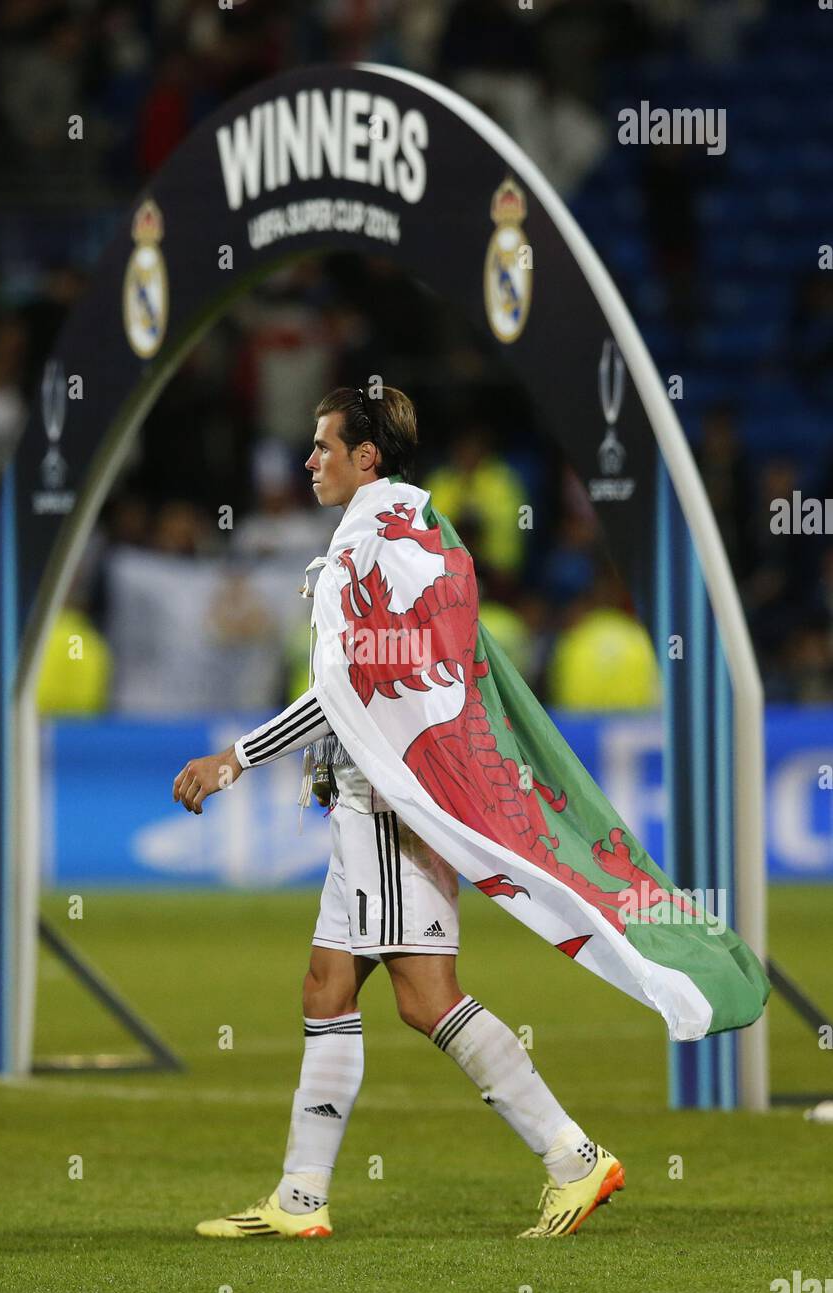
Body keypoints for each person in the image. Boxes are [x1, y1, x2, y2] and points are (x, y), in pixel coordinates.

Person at [173, 386, 625, 1240]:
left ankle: (572, 1156)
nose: (309, 460)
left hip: (387, 802)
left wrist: (235, 758)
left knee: (425, 998)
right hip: (374, 792)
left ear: (365, 456)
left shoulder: (370, 545)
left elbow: (347, 694)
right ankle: (300, 1199)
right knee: (325, 987)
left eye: (322, 446)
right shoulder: (412, 526)